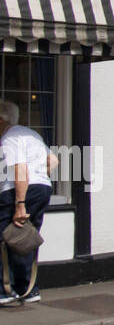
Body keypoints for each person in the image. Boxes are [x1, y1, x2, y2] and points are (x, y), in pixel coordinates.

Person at [0, 100, 57, 306]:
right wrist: (40, 177)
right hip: (42, 187)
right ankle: (28, 289)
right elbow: (53, 161)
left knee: (4, 239)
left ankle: (4, 291)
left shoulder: (9, 138)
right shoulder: (31, 134)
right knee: (25, 237)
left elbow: (20, 169)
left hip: (19, 191)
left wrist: (20, 203)